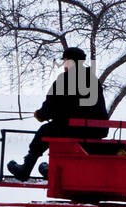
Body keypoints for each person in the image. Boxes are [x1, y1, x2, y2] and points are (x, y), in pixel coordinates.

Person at [7, 46, 109, 180]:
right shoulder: (93, 80)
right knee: (58, 128)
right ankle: (57, 167)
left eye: (65, 61)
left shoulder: (64, 80)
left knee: (45, 131)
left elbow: (50, 107)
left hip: (75, 129)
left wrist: (40, 114)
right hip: (96, 130)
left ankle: (26, 169)